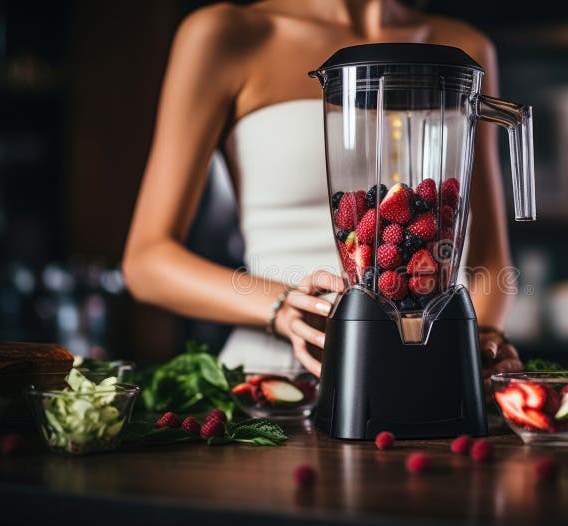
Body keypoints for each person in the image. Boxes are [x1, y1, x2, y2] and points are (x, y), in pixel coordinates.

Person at [122, 0, 523, 394]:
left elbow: (486, 256)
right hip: (280, 386)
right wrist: (283, 307)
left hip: (432, 378)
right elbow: (147, 261)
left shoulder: (465, 47)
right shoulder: (227, 34)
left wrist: (481, 342)